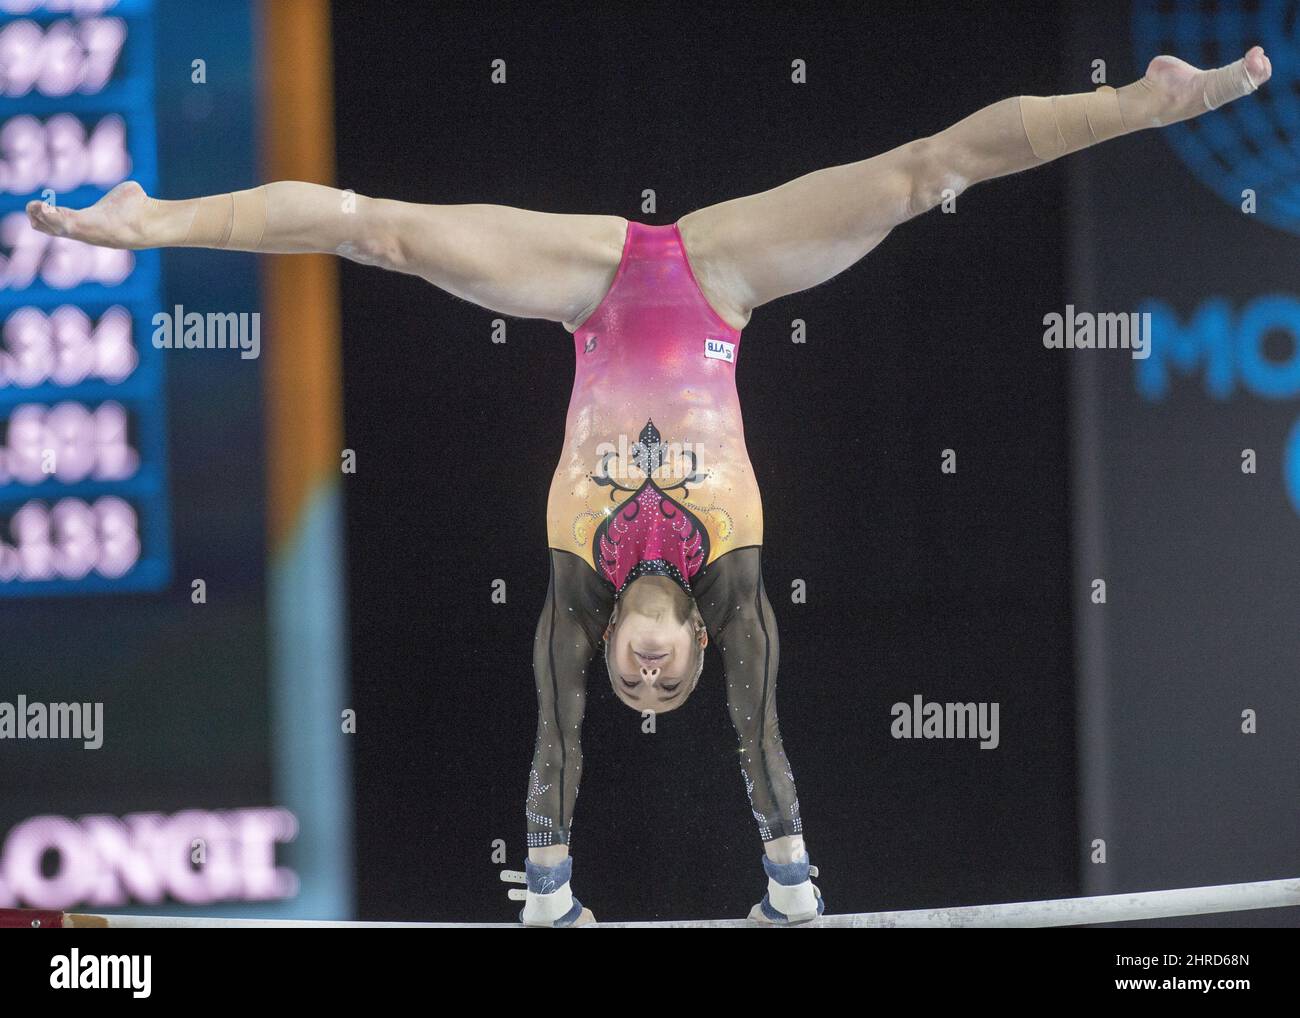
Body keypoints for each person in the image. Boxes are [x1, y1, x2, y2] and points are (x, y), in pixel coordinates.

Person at [27, 47, 1272, 926]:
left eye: (639, 679)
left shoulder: (575, 579)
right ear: (690, 645)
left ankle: (154, 220)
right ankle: (1144, 105)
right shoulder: (733, 579)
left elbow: (555, 741)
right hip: (724, 282)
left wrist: (552, 885)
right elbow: (760, 730)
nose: (646, 674)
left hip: (584, 288)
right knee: (917, 170)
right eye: (665, 677)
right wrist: (793, 882)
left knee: (382, 229)